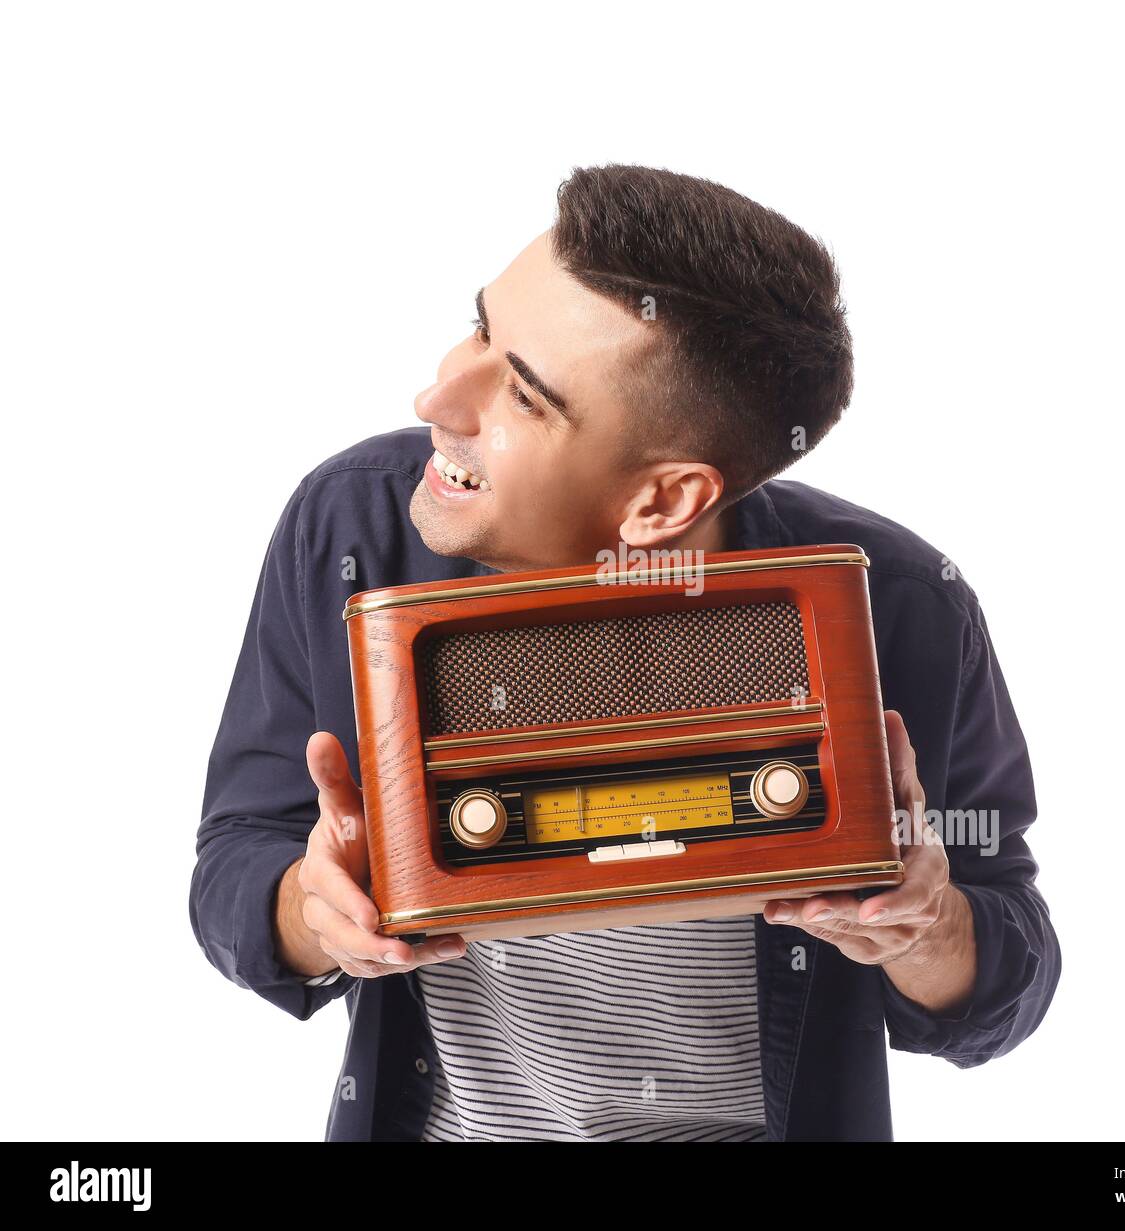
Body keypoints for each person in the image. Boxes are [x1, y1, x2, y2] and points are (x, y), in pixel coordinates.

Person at [191, 164, 1061, 1141]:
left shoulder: (904, 605)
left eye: (524, 396)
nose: (439, 395)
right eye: (480, 327)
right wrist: (318, 909)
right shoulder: (350, 527)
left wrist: (926, 926)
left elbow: (1008, 962)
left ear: (664, 500)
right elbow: (236, 860)